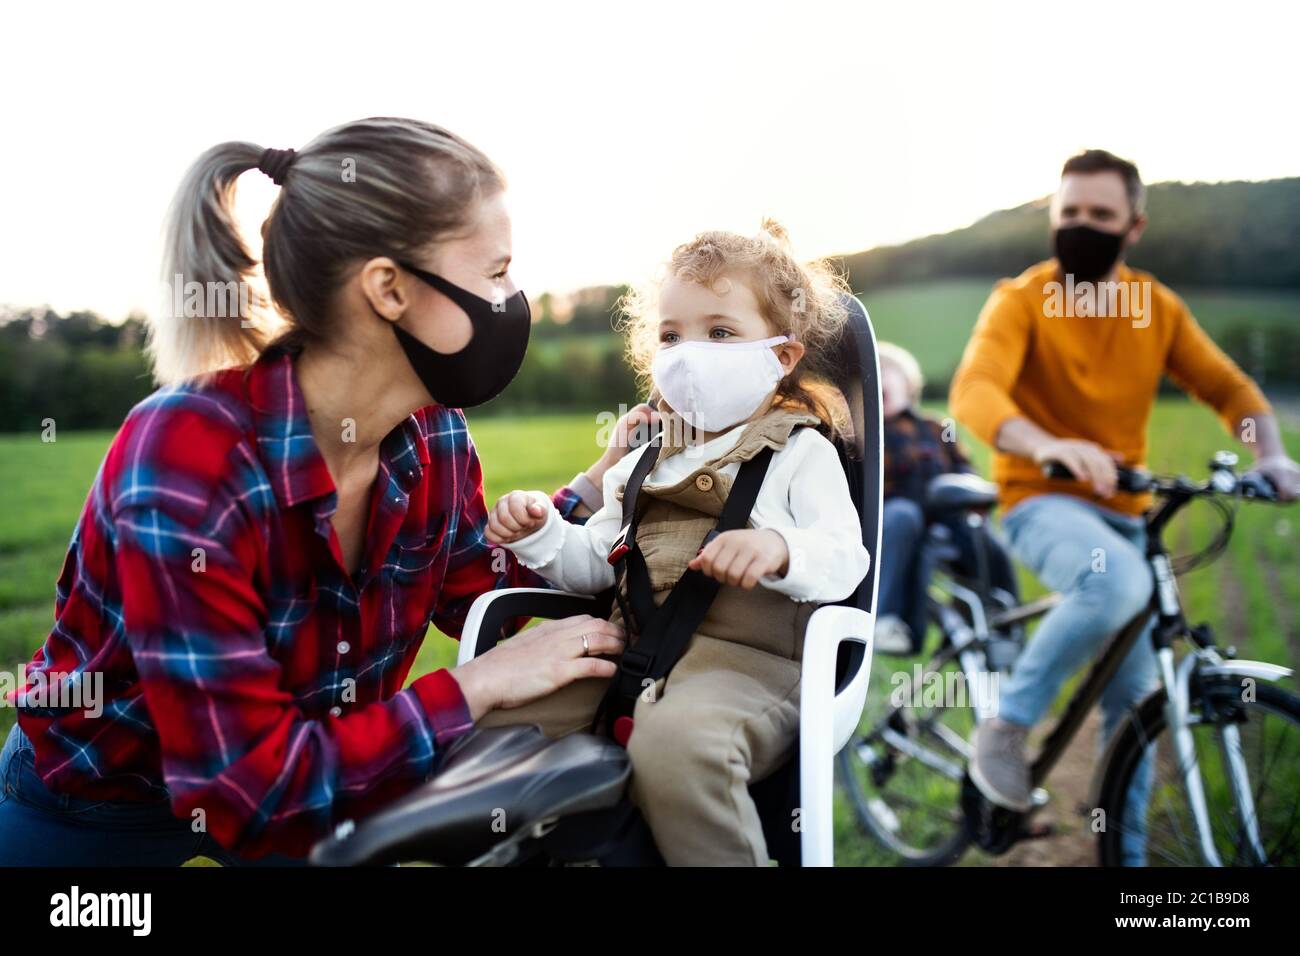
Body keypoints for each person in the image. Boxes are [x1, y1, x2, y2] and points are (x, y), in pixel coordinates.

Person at [0, 117, 656, 866]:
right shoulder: (186, 457)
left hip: (326, 777)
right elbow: (244, 795)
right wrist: (473, 687)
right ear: (388, 289)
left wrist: (607, 497)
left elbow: (485, 588)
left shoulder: (436, 435)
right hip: (101, 796)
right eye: (497, 270)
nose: (514, 298)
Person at [480, 222, 871, 865]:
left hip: (750, 666)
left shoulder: (800, 451)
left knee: (678, 749)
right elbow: (596, 564)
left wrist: (779, 548)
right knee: (502, 716)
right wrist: (547, 533)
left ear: (781, 355)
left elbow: (845, 556)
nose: (691, 353)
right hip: (632, 652)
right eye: (672, 335)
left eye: (720, 332)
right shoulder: (646, 459)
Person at [950, 148, 1300, 864]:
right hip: (1039, 498)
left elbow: (1229, 391)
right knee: (1113, 583)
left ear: (1133, 226)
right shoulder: (1020, 299)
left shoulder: (1156, 307)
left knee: (1136, 705)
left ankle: (1127, 866)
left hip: (1126, 510)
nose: (1081, 226)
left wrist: (1267, 453)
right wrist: (1048, 444)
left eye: (1099, 215)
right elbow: (976, 392)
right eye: (1069, 213)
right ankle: (1006, 731)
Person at [875, 342, 1018, 655]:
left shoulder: (936, 427)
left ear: (909, 384)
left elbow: (964, 466)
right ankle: (886, 620)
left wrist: (969, 488)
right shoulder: (865, 432)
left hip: (946, 515)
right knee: (903, 515)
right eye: (871, 373)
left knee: (983, 536)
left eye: (886, 371)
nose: (878, 377)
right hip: (894, 519)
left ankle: (1004, 620)